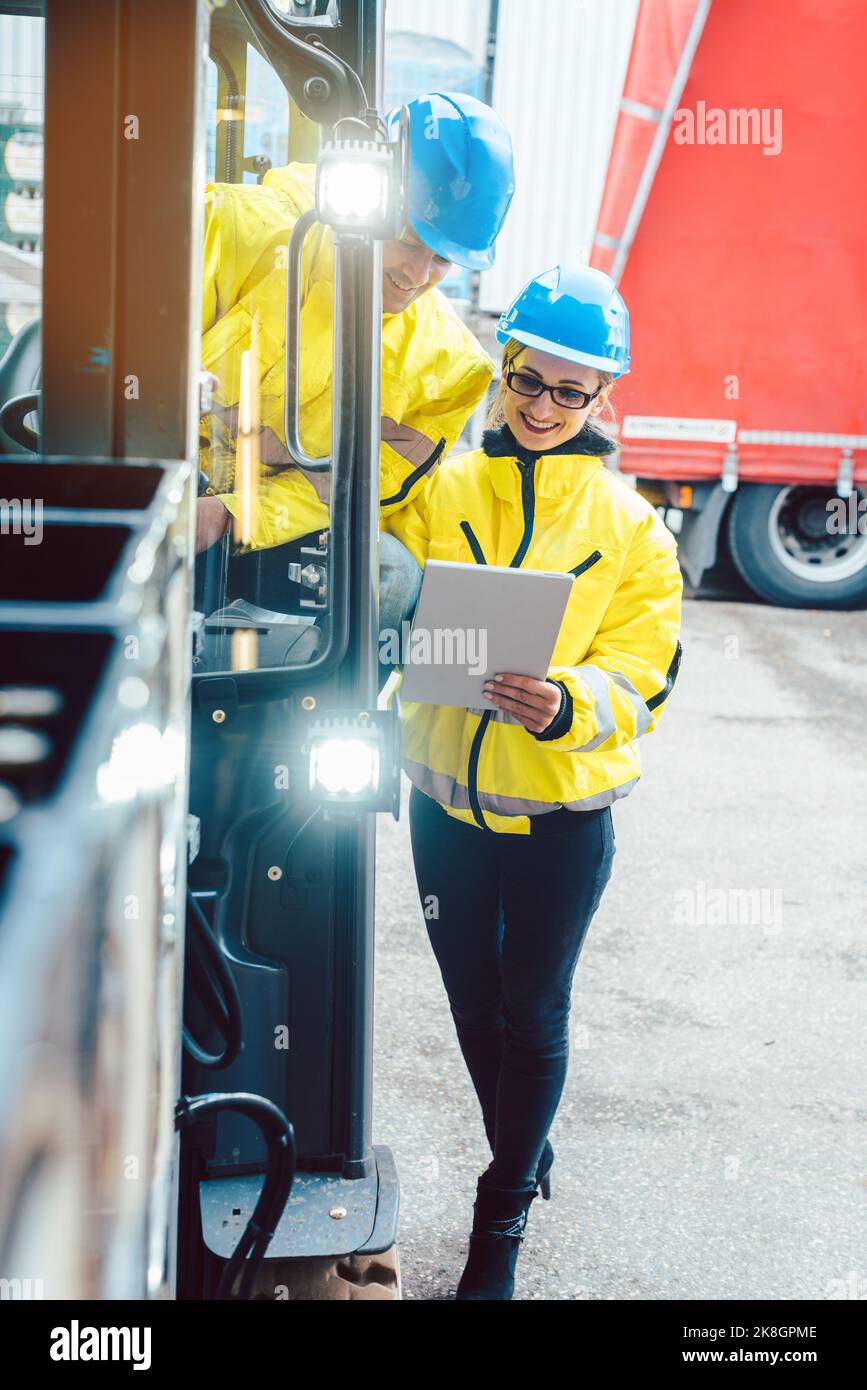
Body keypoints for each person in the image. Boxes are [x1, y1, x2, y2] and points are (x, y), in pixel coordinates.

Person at [382, 263, 684, 1299]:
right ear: (502, 368)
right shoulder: (443, 489)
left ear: (602, 400)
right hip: (442, 810)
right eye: (529, 380)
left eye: (571, 390)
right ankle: (525, 1144)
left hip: (561, 818)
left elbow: (647, 673)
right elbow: (394, 600)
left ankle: (500, 1212)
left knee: (533, 1011)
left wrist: (566, 700)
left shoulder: (633, 529)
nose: (544, 406)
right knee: (475, 1009)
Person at [194, 92, 515, 683]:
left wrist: (234, 512)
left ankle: (293, 719)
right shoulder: (234, 230)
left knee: (389, 573)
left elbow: (358, 490)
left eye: (442, 260)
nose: (415, 276)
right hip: (171, 481)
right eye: (408, 240)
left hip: (275, 522)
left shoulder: (449, 367)